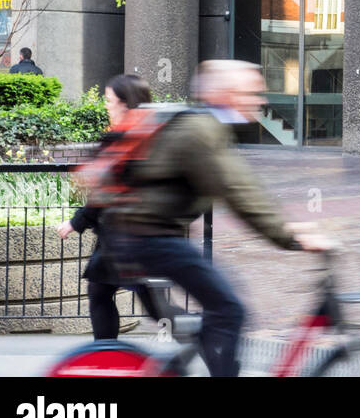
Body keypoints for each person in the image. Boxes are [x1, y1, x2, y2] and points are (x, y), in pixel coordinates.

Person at [101, 60, 331, 377]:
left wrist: (287, 229)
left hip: (141, 236)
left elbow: (244, 186)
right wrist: (289, 236)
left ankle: (196, 359)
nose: (260, 101)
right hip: (147, 238)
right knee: (229, 309)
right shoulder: (201, 131)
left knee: (220, 309)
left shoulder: (205, 125)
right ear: (226, 94)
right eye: (251, 93)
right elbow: (236, 191)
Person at [57, 74, 157, 340]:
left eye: (109, 100)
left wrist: (75, 222)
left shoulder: (122, 137)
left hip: (124, 235)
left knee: (113, 295)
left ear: (125, 103)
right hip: (142, 231)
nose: (106, 105)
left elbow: (105, 190)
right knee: (105, 292)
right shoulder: (150, 132)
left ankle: (106, 355)